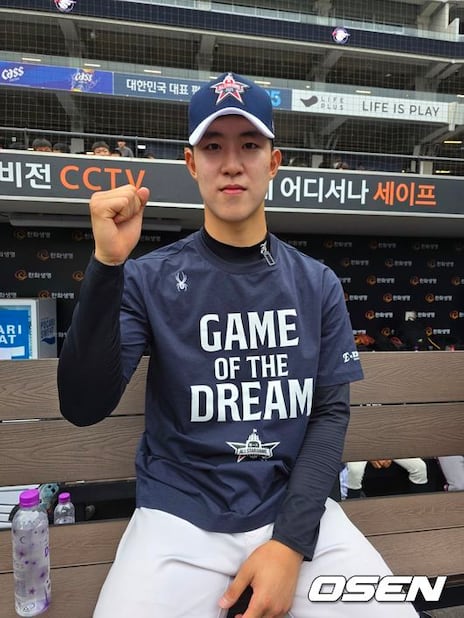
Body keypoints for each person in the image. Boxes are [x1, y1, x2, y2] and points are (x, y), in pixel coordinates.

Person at [57, 72, 418, 618]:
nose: (231, 163)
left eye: (249, 145)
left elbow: (328, 415)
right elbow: (82, 406)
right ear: (190, 163)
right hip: (179, 517)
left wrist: (290, 544)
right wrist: (108, 266)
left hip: (294, 510)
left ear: (274, 163)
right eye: (213, 147)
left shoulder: (316, 282)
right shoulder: (150, 277)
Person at [345, 458, 428, 499]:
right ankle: (351, 503)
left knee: (420, 467)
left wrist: (387, 451)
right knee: (355, 470)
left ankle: (420, 503)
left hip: (391, 443)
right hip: (358, 446)